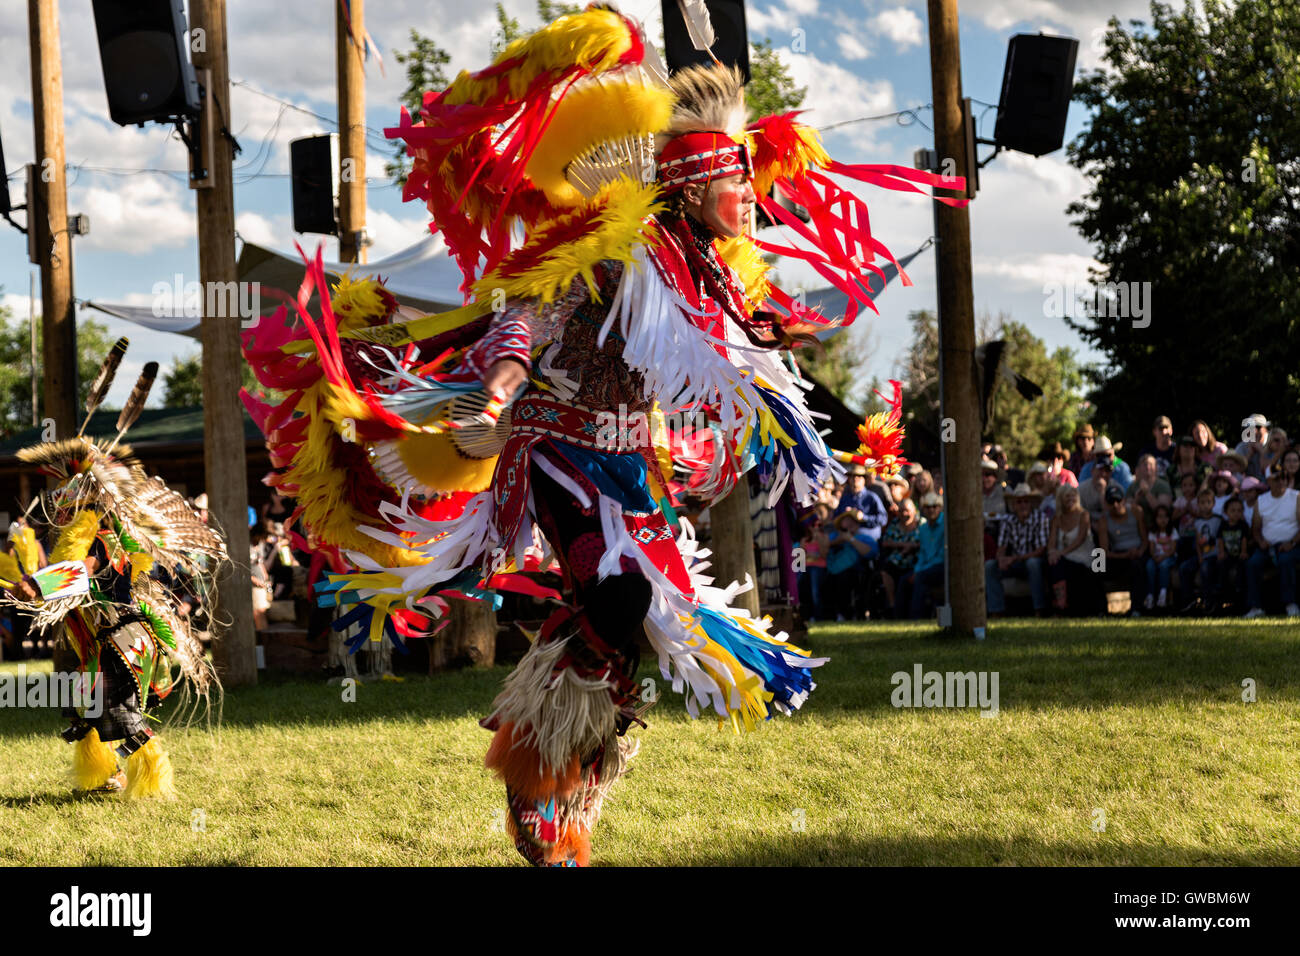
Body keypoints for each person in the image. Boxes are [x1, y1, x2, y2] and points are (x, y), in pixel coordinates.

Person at [242, 29, 943, 866]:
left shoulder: (711, 276)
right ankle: (537, 780)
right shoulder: (606, 252)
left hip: (635, 470)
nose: (750, 202)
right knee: (614, 602)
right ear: (693, 186)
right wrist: (499, 387)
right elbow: (521, 316)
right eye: (737, 185)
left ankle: (566, 781)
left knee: (643, 628)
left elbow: (739, 358)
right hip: (561, 455)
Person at [0, 349, 227, 799]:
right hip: (95, 641)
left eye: (69, 502)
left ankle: (150, 779)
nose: (60, 508)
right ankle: (104, 775)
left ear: (89, 503)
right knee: (84, 711)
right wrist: (26, 579)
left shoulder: (106, 539)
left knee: (119, 713)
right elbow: (63, 573)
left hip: (123, 640)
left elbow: (82, 572)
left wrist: (38, 584)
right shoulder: (77, 538)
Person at [1244, 464, 1300, 618]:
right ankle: (1255, 607)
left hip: (1291, 545)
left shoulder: (1296, 497)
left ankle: (1291, 604)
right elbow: (1256, 529)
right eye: (1277, 479)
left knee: (1286, 560)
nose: (1281, 481)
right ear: (1269, 481)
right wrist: (1260, 541)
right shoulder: (1261, 500)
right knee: (1253, 563)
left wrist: (1292, 543)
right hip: (1267, 546)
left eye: (1284, 478)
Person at [985, 484, 1049, 616]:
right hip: (1015, 562)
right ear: (1013, 505)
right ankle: (996, 611)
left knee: (1033, 564)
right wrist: (1001, 559)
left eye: (1026, 501)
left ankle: (1039, 609)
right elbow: (1002, 546)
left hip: (1034, 561)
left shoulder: (1041, 518)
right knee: (990, 566)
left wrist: (1015, 558)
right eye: (1019, 502)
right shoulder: (1008, 520)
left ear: (1031, 504)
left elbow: (1041, 550)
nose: (1022, 505)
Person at [1096, 484, 1147, 613]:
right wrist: (1125, 555)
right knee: (1097, 563)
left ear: (1124, 500)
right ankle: (1101, 610)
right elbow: (1103, 551)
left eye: (1118, 500)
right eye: (1111, 502)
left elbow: (1145, 540)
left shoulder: (1136, 511)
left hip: (1138, 553)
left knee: (1137, 566)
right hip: (1118, 556)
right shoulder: (1104, 520)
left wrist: (1139, 552)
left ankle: (1136, 609)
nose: (1115, 505)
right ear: (1106, 504)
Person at [1047, 485, 1095, 614]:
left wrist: (1059, 553)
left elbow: (1080, 540)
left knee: (1059, 564)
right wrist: (1051, 552)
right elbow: (1051, 542)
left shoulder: (1084, 515)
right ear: (1061, 499)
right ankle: (1059, 603)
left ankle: (1061, 605)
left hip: (1082, 556)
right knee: (1052, 563)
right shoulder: (1057, 518)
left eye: (1073, 496)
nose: (1070, 499)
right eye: (1067, 496)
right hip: (1062, 558)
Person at [826, 510, 878, 621]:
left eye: (853, 521)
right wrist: (838, 540)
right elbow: (823, 549)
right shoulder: (834, 537)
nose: (850, 523)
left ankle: (847, 614)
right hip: (831, 570)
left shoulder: (865, 538)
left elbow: (870, 553)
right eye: (846, 520)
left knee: (845, 578)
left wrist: (851, 539)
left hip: (856, 572)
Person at [1178, 487, 1222, 613]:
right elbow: (1198, 541)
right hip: (1202, 555)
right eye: (1202, 502)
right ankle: (1189, 600)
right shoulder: (1197, 522)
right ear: (1198, 504)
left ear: (1213, 503)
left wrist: (1220, 553)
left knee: (1205, 568)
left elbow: (1220, 539)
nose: (1205, 505)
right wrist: (1200, 557)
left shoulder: (1218, 520)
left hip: (1214, 555)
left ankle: (1209, 601)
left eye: (1208, 502)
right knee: (1184, 568)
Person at [902, 493, 946, 620]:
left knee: (921, 577)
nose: (931, 510)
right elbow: (922, 554)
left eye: (934, 506)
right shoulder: (923, 529)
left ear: (940, 507)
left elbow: (942, 555)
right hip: (926, 567)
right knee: (904, 580)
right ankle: (899, 618)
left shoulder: (945, 525)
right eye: (927, 507)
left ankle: (916, 617)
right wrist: (917, 570)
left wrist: (920, 572)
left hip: (941, 566)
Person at [879, 497, 921, 615]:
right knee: (886, 571)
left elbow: (925, 541)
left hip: (916, 561)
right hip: (897, 560)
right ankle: (892, 605)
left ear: (914, 511)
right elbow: (885, 542)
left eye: (907, 510)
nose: (904, 513)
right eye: (901, 510)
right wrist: (903, 545)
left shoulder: (921, 524)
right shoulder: (895, 523)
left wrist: (912, 547)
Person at [836, 464, 889, 542]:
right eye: (853, 476)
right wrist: (845, 516)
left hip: (868, 538)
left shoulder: (872, 497)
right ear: (849, 479)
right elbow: (836, 517)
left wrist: (864, 517)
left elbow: (883, 519)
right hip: (847, 539)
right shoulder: (845, 498)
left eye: (859, 476)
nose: (855, 478)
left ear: (865, 480)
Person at [797, 505, 831, 623]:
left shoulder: (825, 537)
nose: (814, 527)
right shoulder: (804, 539)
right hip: (805, 567)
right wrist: (810, 556)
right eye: (812, 525)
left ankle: (818, 616)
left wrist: (818, 539)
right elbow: (800, 558)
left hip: (818, 568)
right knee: (801, 586)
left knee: (815, 591)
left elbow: (824, 555)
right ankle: (806, 615)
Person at [1217, 496, 1251, 610]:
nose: (1236, 513)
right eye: (1233, 510)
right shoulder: (1223, 525)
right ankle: (1222, 593)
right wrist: (1221, 552)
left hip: (1239, 555)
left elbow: (1244, 539)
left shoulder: (1243, 525)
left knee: (1242, 568)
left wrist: (1244, 552)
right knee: (1221, 565)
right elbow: (1220, 539)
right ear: (1226, 512)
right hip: (1228, 555)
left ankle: (1239, 591)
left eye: (1239, 511)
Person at [1144, 504, 1178, 610]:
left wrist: (1163, 557)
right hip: (1156, 557)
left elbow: (1173, 549)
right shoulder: (1153, 533)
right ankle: (1150, 595)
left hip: (1169, 557)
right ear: (1155, 518)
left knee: (1164, 565)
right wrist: (1155, 558)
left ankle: (1163, 594)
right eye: (1159, 517)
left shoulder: (1172, 531)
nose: (1163, 520)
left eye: (1165, 516)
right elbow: (1151, 549)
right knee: (1149, 566)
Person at [1125, 453, 1172, 524]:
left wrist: (1147, 493)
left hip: (1158, 527)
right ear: (1139, 468)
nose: (1148, 467)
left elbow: (1163, 512)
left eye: (1151, 464)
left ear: (1156, 468)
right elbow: (1127, 511)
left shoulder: (1163, 485)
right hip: (1137, 526)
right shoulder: (1133, 487)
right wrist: (1136, 499)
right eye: (1145, 465)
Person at [1234, 413, 1271, 479]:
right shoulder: (1241, 447)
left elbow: (1271, 472)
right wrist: (1249, 454)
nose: (1254, 431)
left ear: (1265, 430)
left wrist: (1262, 453)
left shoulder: (1272, 446)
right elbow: (1236, 471)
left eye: (1258, 427)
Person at [1078, 458, 1113, 528]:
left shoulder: (1116, 488)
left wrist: (1102, 492)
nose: (1103, 473)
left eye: (1107, 470)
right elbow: (1078, 513)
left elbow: (1113, 514)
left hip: (1110, 527)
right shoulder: (1081, 489)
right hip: (1086, 526)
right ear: (1092, 471)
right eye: (1100, 469)